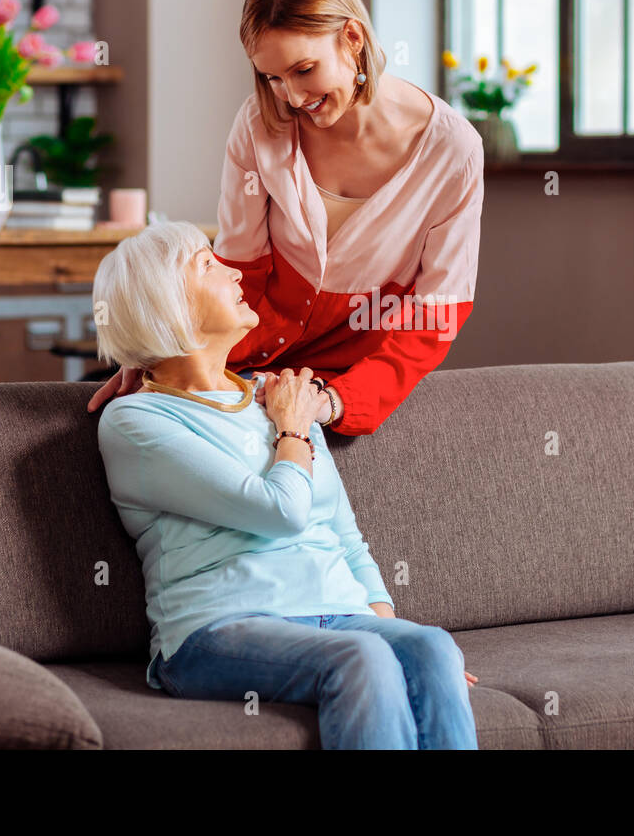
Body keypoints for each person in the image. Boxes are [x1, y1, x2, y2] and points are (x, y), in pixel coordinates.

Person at [92, 220, 479, 749]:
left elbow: (345, 537)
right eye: (208, 264)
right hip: (216, 630)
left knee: (433, 648)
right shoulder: (137, 422)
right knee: (363, 657)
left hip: (337, 616)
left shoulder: (273, 396)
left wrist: (399, 637)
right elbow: (280, 510)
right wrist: (294, 429)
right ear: (167, 303)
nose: (232, 272)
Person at [88, 0, 484, 436]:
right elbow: (239, 270)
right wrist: (170, 351)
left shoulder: (451, 151)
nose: (291, 98)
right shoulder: (259, 126)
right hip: (242, 369)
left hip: (344, 387)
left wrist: (336, 402)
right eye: (272, 78)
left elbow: (434, 317)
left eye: (303, 70)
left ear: (352, 39)